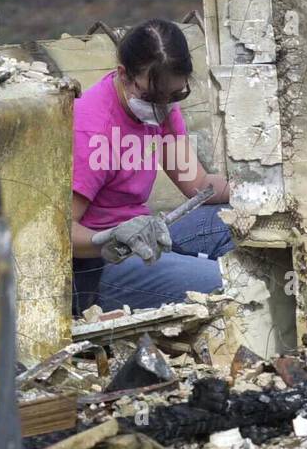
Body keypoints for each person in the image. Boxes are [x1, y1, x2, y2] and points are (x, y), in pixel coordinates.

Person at [71, 19, 231, 315]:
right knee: (230, 285)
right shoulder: (92, 130)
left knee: (241, 225)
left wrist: (252, 189)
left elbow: (196, 184)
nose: (163, 106)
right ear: (123, 74)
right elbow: (59, 233)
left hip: (149, 236)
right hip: (99, 263)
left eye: (175, 96)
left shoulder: (163, 106)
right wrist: (108, 239)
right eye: (153, 97)